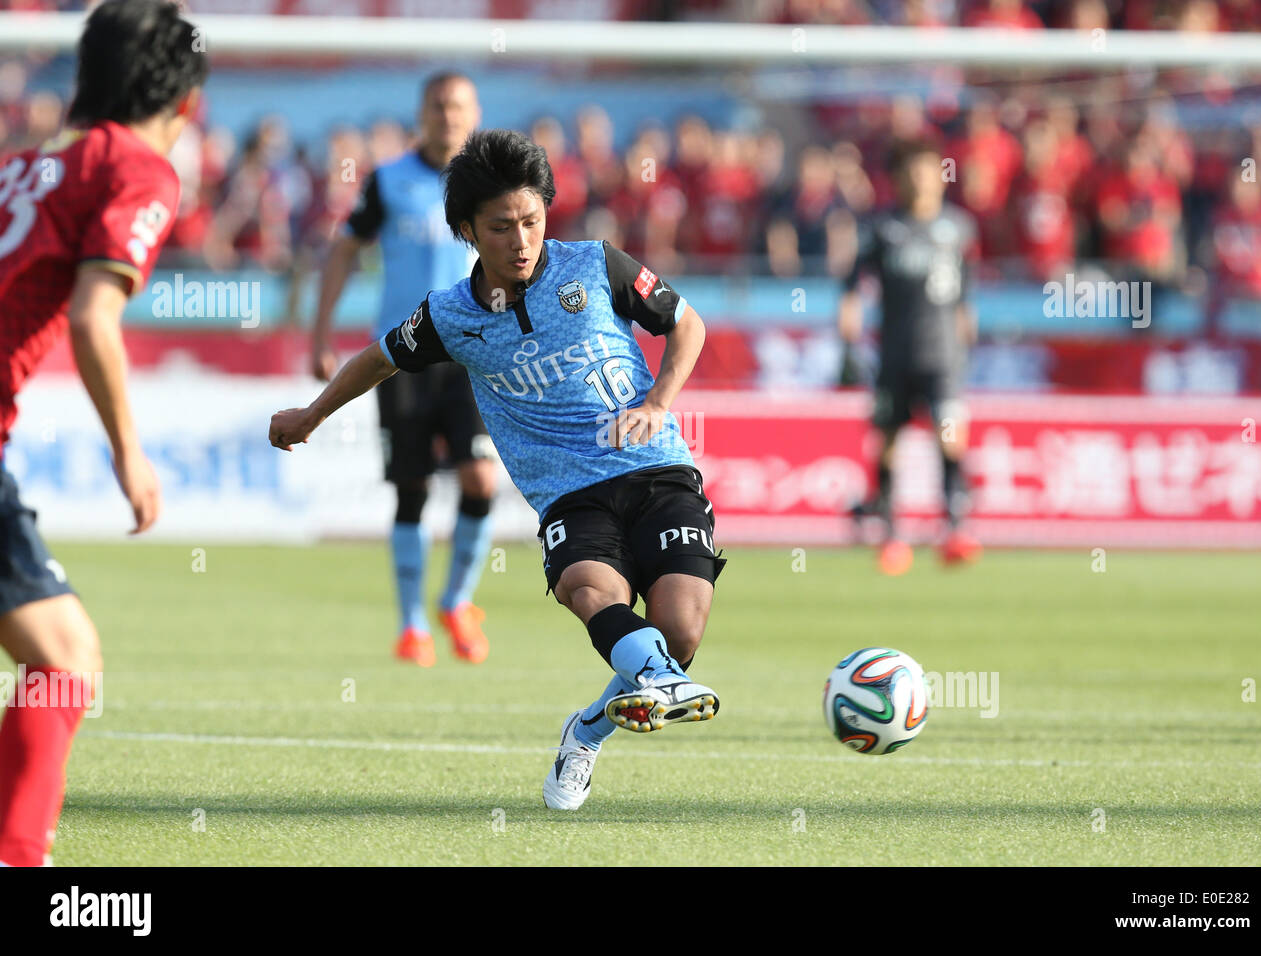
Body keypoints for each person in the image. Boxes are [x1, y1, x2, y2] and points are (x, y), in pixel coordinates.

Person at [270, 129, 725, 811]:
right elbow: (378, 359)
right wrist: (311, 414)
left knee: (680, 634)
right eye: (502, 227)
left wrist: (659, 401)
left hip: (656, 468)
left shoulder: (595, 266)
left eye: (532, 220)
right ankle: (653, 675)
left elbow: (687, 324)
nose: (521, 239)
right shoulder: (450, 316)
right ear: (467, 232)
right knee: (586, 588)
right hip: (571, 495)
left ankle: (589, 730)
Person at [0, 0, 207, 866]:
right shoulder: (137, 167)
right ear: (184, 96)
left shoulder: (20, 166)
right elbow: (94, 317)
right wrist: (130, 453)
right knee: (65, 655)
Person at [312, 73, 493, 667]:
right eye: (438, 106)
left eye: (458, 106)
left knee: (480, 479)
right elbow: (345, 250)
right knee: (411, 486)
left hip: (473, 356)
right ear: (423, 111)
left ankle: (456, 601)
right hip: (402, 357)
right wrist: (320, 332)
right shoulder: (388, 180)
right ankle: (412, 624)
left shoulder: (490, 180)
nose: (448, 116)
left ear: (475, 112)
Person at [838, 139, 981, 575]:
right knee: (887, 441)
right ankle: (892, 534)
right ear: (900, 179)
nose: (922, 180)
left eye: (929, 171)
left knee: (950, 432)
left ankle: (954, 528)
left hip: (943, 355)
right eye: (913, 172)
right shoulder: (884, 229)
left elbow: (965, 290)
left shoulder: (958, 228)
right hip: (895, 354)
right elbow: (851, 282)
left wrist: (966, 328)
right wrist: (849, 314)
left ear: (941, 176)